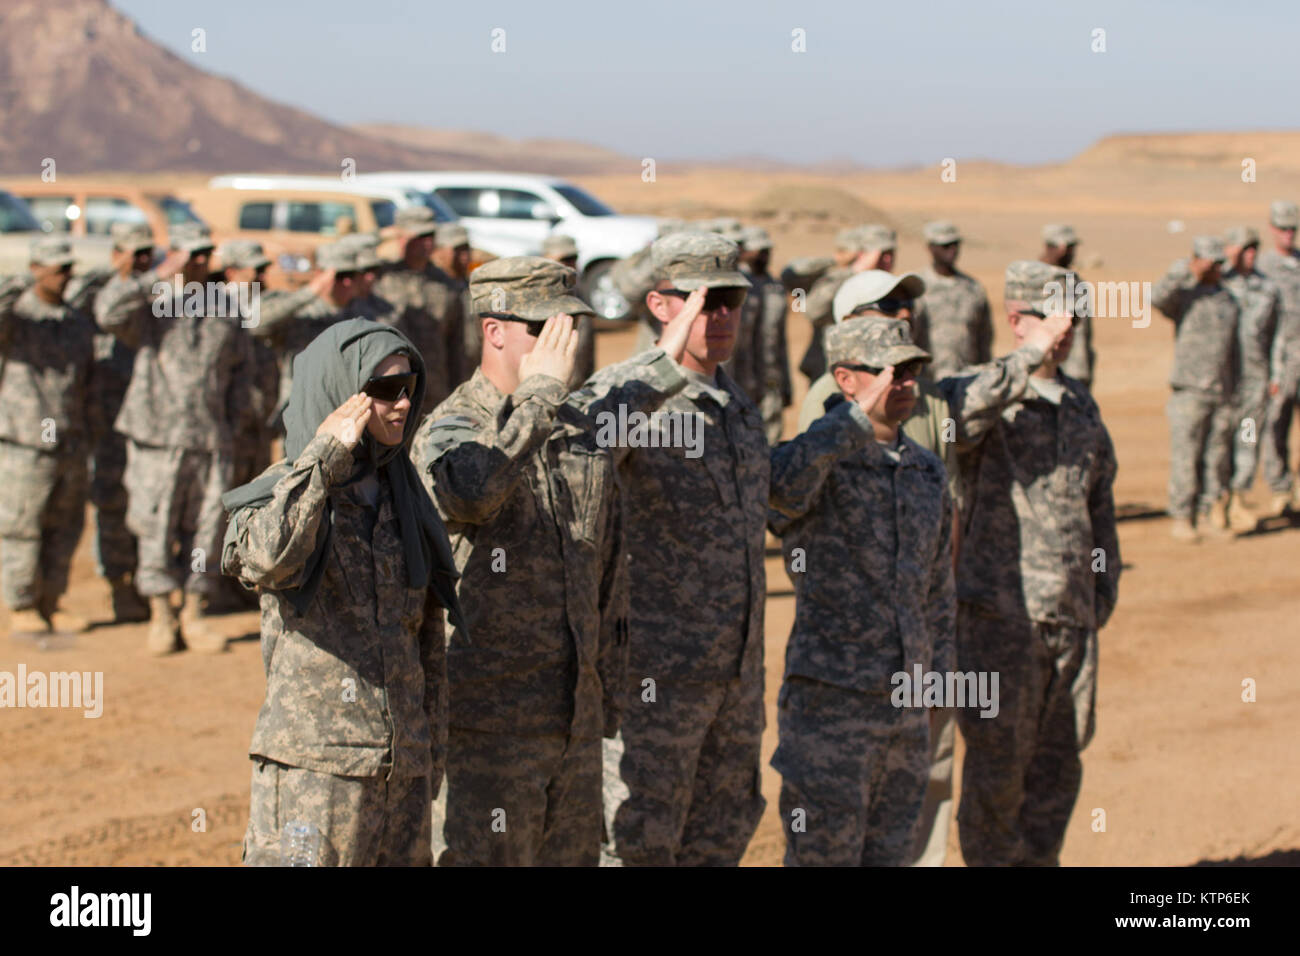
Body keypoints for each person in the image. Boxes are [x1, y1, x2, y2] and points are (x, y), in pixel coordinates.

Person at [413, 256, 695, 866]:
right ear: (495, 331)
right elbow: (472, 490)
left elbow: (638, 385)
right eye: (545, 329)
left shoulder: (580, 428)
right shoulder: (452, 426)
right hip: (488, 730)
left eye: (571, 326)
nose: (563, 346)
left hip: (575, 722)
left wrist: (684, 326)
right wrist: (538, 395)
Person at [797, 268, 1073, 867]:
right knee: (844, 801)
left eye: (906, 304)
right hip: (856, 652)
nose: (902, 314)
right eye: (885, 304)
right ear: (846, 327)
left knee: (928, 770)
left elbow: (987, 389)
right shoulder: (831, 402)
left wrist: (1035, 350)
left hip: (929, 627)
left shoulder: (926, 395)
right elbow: (798, 510)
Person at [222, 318, 463, 867]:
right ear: (340, 393)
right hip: (319, 770)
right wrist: (324, 460)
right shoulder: (287, 489)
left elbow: (425, 635)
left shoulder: (406, 494)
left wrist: (429, 751)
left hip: (401, 767)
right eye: (383, 391)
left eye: (408, 388)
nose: (401, 404)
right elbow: (265, 559)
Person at [579, 232, 768, 866]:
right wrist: (660, 366)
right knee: (636, 846)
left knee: (718, 841)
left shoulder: (739, 406)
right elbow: (579, 451)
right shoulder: (625, 393)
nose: (719, 317)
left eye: (730, 302)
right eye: (703, 301)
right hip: (651, 687)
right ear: (662, 305)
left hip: (734, 686)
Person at [768, 315, 955, 865]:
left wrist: (940, 682)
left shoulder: (926, 471)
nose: (905, 383)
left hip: (907, 709)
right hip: (832, 707)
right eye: (890, 372)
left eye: (912, 370)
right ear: (846, 379)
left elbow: (938, 589)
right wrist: (848, 421)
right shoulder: (818, 460)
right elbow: (777, 492)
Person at [954, 260, 1120, 867]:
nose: (1066, 329)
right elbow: (958, 422)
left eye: (1073, 317)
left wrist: (1102, 585)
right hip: (1002, 620)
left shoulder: (1081, 404)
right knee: (998, 769)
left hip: (1071, 618)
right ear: (1015, 318)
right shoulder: (987, 391)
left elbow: (1099, 499)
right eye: (1054, 317)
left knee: (1058, 766)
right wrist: (1027, 361)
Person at [96, 223, 250, 654]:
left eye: (205, 254)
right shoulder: (152, 302)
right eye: (191, 254)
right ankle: (161, 613)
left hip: (211, 438)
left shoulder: (226, 305)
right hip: (157, 437)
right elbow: (108, 313)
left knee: (206, 530)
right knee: (155, 524)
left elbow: (243, 368)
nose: (200, 262)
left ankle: (194, 612)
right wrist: (161, 274)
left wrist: (233, 423)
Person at [0, 239, 97, 637]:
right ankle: (21, 604)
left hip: (70, 438)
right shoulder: (17, 316)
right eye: (57, 269)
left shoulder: (73, 319)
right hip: (25, 440)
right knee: (23, 524)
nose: (65, 276)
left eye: (68, 269)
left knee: (65, 525)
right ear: (38, 267)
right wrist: (26, 279)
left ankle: (52, 600)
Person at [65, 223, 153, 623]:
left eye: (147, 254)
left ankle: (145, 581)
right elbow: (89, 309)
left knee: (147, 499)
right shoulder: (98, 288)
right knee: (112, 498)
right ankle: (119, 584)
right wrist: (114, 275)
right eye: (133, 254)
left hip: (149, 415)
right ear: (116, 253)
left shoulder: (157, 287)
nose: (141, 262)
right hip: (106, 416)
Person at [1151, 237, 1240, 541]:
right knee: (1186, 456)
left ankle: (1209, 513)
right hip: (1189, 388)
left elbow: (1236, 349)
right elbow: (1156, 297)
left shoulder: (1228, 299)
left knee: (1216, 457)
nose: (1215, 268)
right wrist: (1185, 270)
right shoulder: (1184, 297)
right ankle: (1182, 515)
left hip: (1222, 391)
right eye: (1209, 262)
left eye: (1218, 263)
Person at [251, 239, 359, 433]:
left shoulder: (363, 313)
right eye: (340, 276)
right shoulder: (301, 311)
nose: (348, 282)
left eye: (352, 275)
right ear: (320, 275)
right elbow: (257, 323)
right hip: (302, 418)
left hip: (349, 416)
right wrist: (311, 291)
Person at [371, 207, 465, 415]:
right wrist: (381, 235)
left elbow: (456, 347)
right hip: (390, 387)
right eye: (419, 236)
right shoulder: (381, 276)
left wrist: (459, 392)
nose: (427, 243)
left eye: (431, 236)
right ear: (401, 237)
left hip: (434, 389)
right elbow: (349, 252)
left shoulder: (446, 285)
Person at [1221, 226, 1281, 533]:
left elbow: (1277, 336)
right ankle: (1218, 501)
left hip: (1255, 379)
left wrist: (1276, 374)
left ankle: (1239, 499)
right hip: (1222, 382)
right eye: (1245, 248)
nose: (1251, 254)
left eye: (1254, 248)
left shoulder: (1267, 288)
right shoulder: (1218, 284)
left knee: (1247, 441)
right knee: (1218, 444)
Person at [1255, 199, 1300, 515]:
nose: (1288, 234)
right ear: (1272, 229)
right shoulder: (1264, 268)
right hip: (1280, 362)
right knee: (1276, 426)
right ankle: (1281, 488)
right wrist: (1268, 371)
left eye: (1293, 229)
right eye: (1283, 228)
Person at [914, 220, 993, 379]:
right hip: (928, 380)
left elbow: (984, 337)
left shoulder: (973, 288)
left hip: (967, 380)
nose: (953, 250)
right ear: (930, 248)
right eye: (946, 245)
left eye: (956, 244)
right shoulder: (917, 286)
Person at [1039, 224, 1095, 388]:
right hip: (1049, 374)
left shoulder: (1076, 281)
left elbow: (1084, 331)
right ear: (1054, 247)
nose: (1071, 253)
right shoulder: (1036, 281)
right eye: (1068, 247)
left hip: (1078, 372)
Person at [539, 234, 596, 382]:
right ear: (546, 259)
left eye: (573, 259)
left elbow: (587, 351)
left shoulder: (579, 292)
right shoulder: (536, 301)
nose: (570, 265)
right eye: (564, 259)